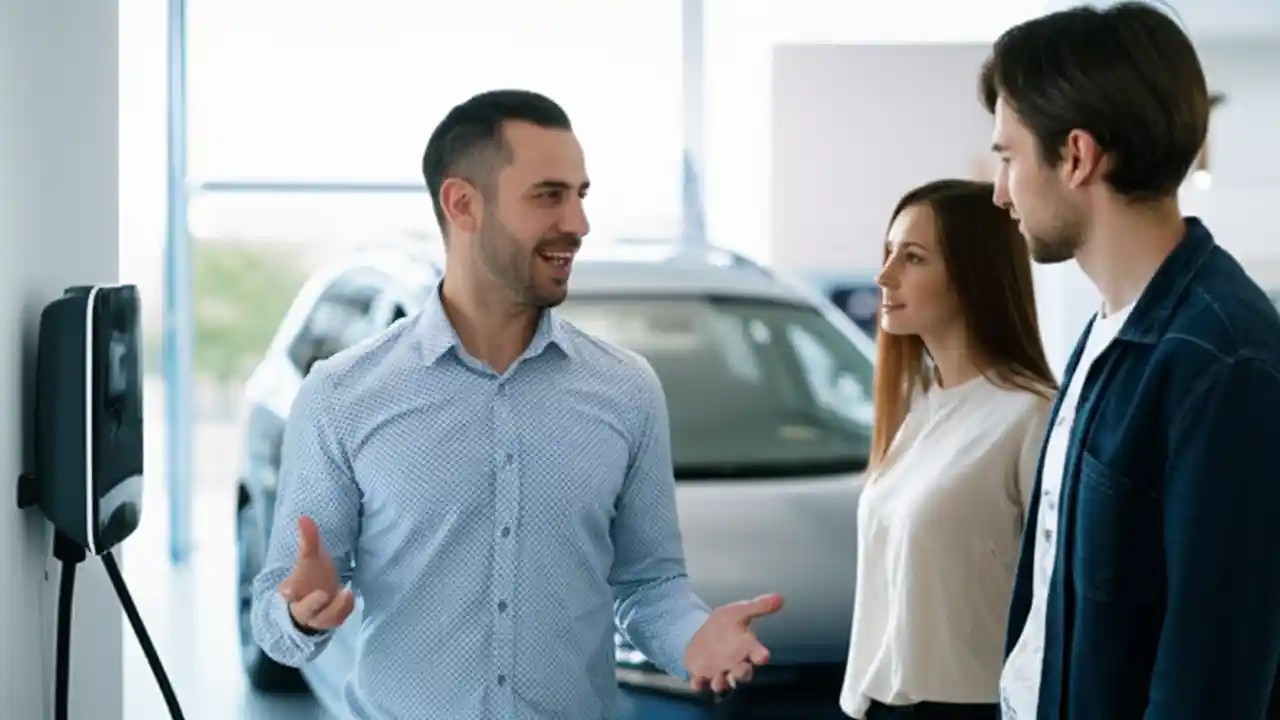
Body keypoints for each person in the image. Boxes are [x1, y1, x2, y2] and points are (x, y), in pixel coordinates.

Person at [250, 89, 784, 720]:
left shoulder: (626, 391)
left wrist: (691, 637)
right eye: (549, 195)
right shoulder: (343, 396)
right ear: (462, 204)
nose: (579, 224)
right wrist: (298, 615)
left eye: (581, 195)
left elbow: (649, 586)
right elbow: (276, 618)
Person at [981, 4, 1280, 718]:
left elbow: (1210, 678)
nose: (999, 192)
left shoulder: (1222, 360)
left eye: (1007, 157)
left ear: (1077, 156)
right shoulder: (1108, 332)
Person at [840, 179, 1057, 720]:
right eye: (888, 253)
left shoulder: (1031, 415)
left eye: (912, 258)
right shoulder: (918, 405)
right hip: (878, 703)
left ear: (973, 275)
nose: (884, 276)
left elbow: (1056, 604)